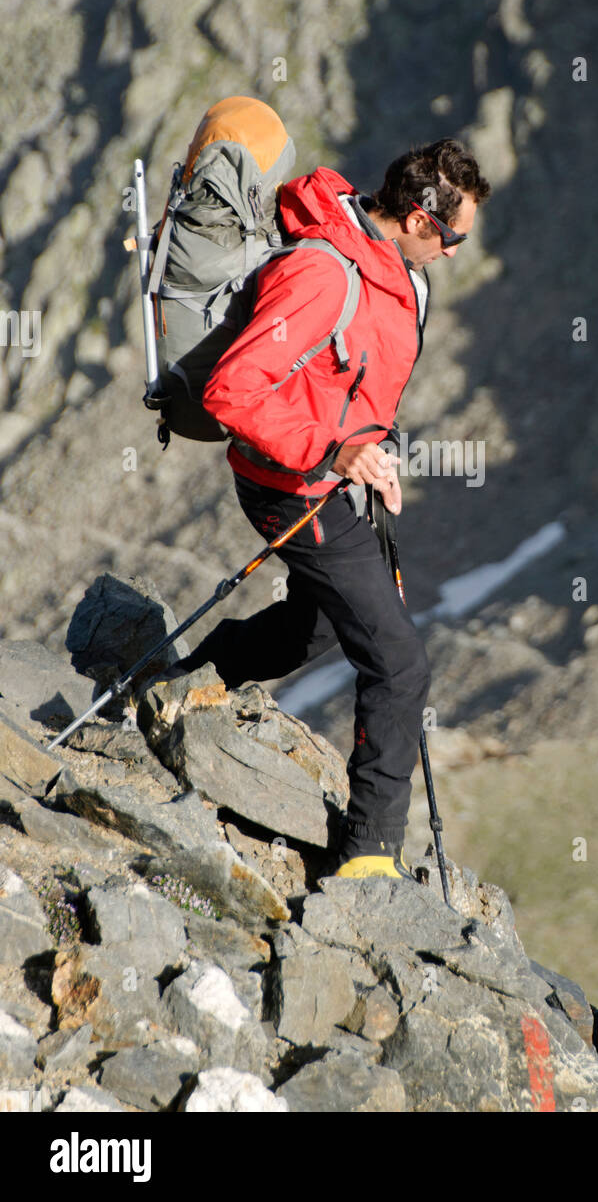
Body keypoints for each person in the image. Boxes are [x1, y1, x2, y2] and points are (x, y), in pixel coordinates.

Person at [178, 138, 491, 880]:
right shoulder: (319, 272)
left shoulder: (402, 275)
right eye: (453, 238)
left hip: (333, 479)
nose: (454, 253)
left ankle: (187, 679)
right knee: (398, 665)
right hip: (287, 485)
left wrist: (368, 456)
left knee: (316, 623)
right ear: (418, 218)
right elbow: (231, 392)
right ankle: (368, 860)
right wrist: (336, 452)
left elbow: (352, 379)